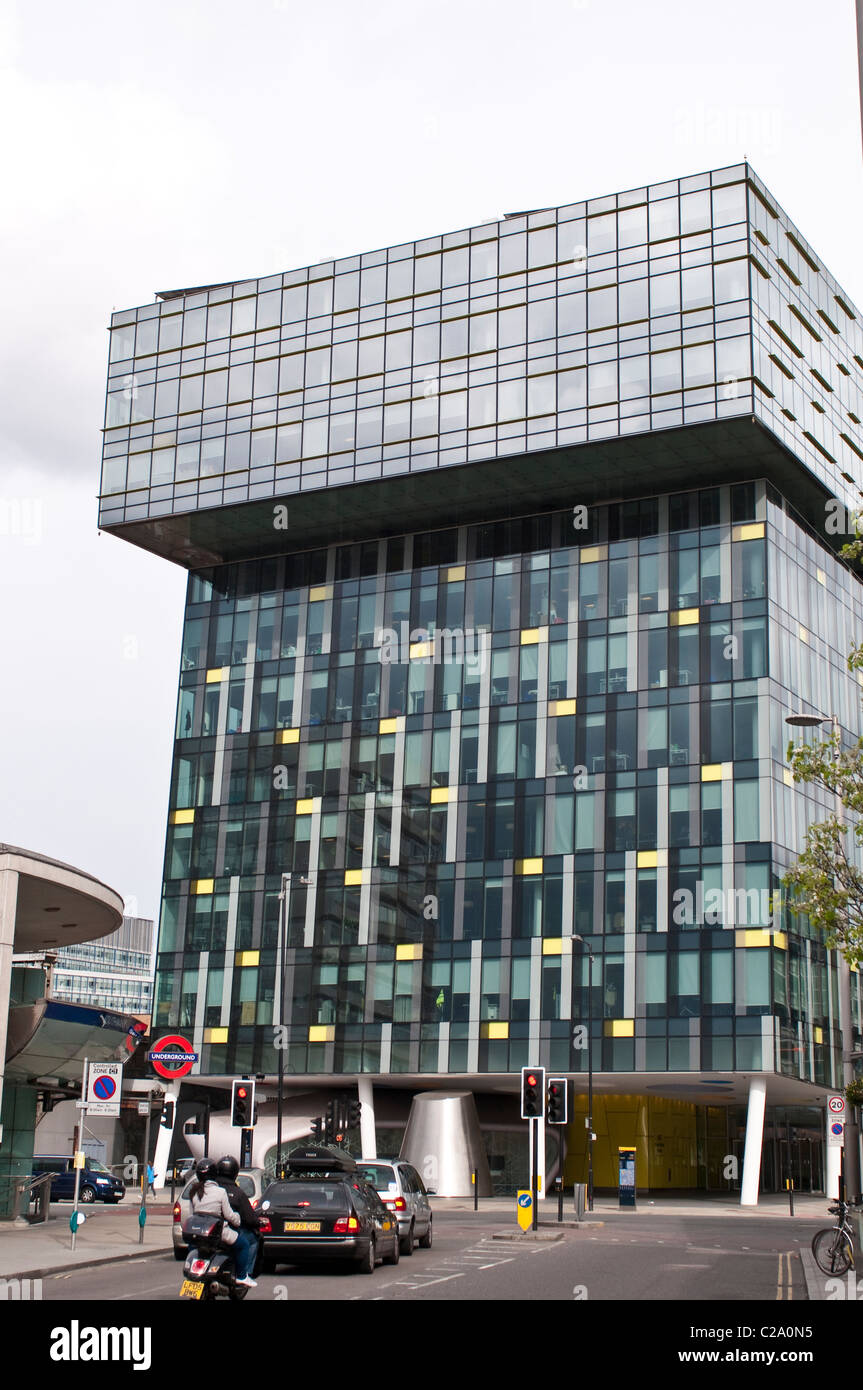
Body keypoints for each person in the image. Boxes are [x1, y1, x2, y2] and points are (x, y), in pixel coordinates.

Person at [187, 1156, 256, 1288]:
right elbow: (229, 1215)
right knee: (244, 1245)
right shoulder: (220, 1192)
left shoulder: (194, 1192)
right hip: (216, 1233)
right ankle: (242, 1276)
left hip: (198, 1234)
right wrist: (237, 1220)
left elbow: (191, 1215)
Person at [215, 1156, 260, 1284]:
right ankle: (244, 1273)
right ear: (235, 1173)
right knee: (250, 1240)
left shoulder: (206, 1190)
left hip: (204, 1230)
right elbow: (247, 1218)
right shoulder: (236, 1193)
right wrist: (257, 1222)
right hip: (223, 1230)